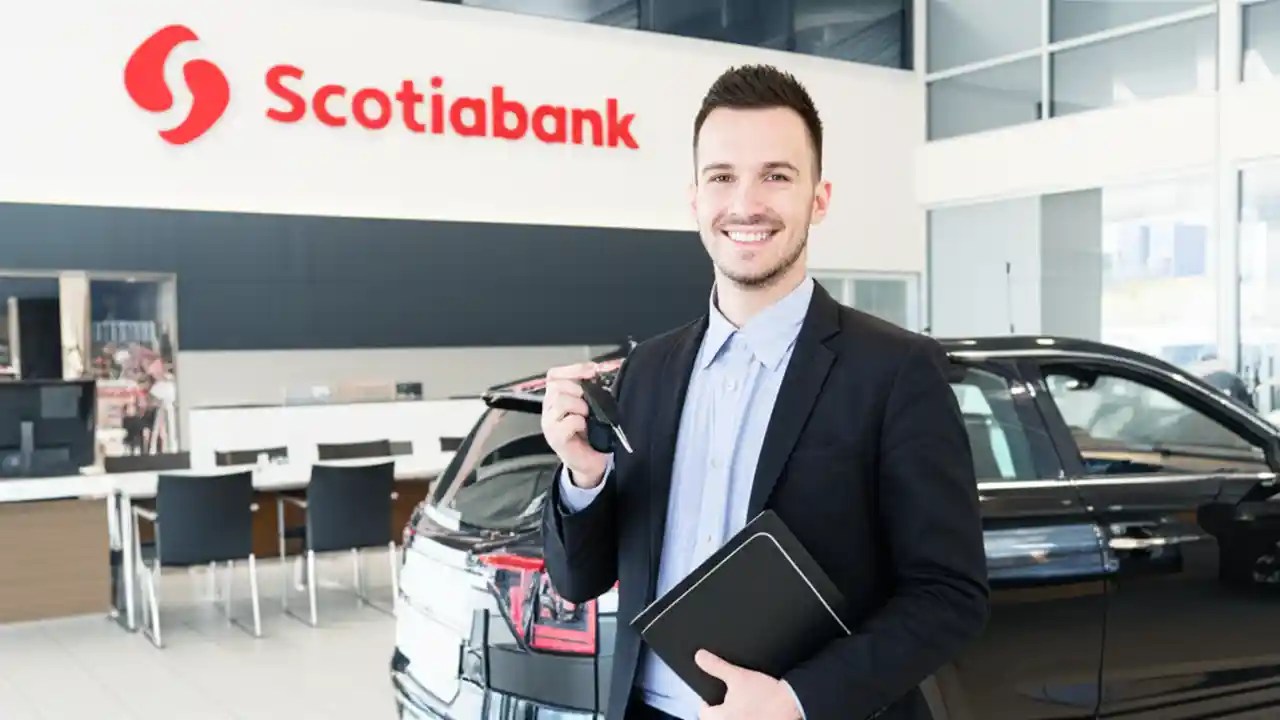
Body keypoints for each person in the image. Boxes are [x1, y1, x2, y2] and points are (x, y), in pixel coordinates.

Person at [539, 64, 989, 720]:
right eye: (723, 177)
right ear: (695, 197)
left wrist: (796, 701)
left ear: (820, 198)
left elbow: (950, 597)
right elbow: (580, 579)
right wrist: (583, 477)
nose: (746, 204)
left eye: (776, 176)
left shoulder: (896, 372)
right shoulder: (648, 370)